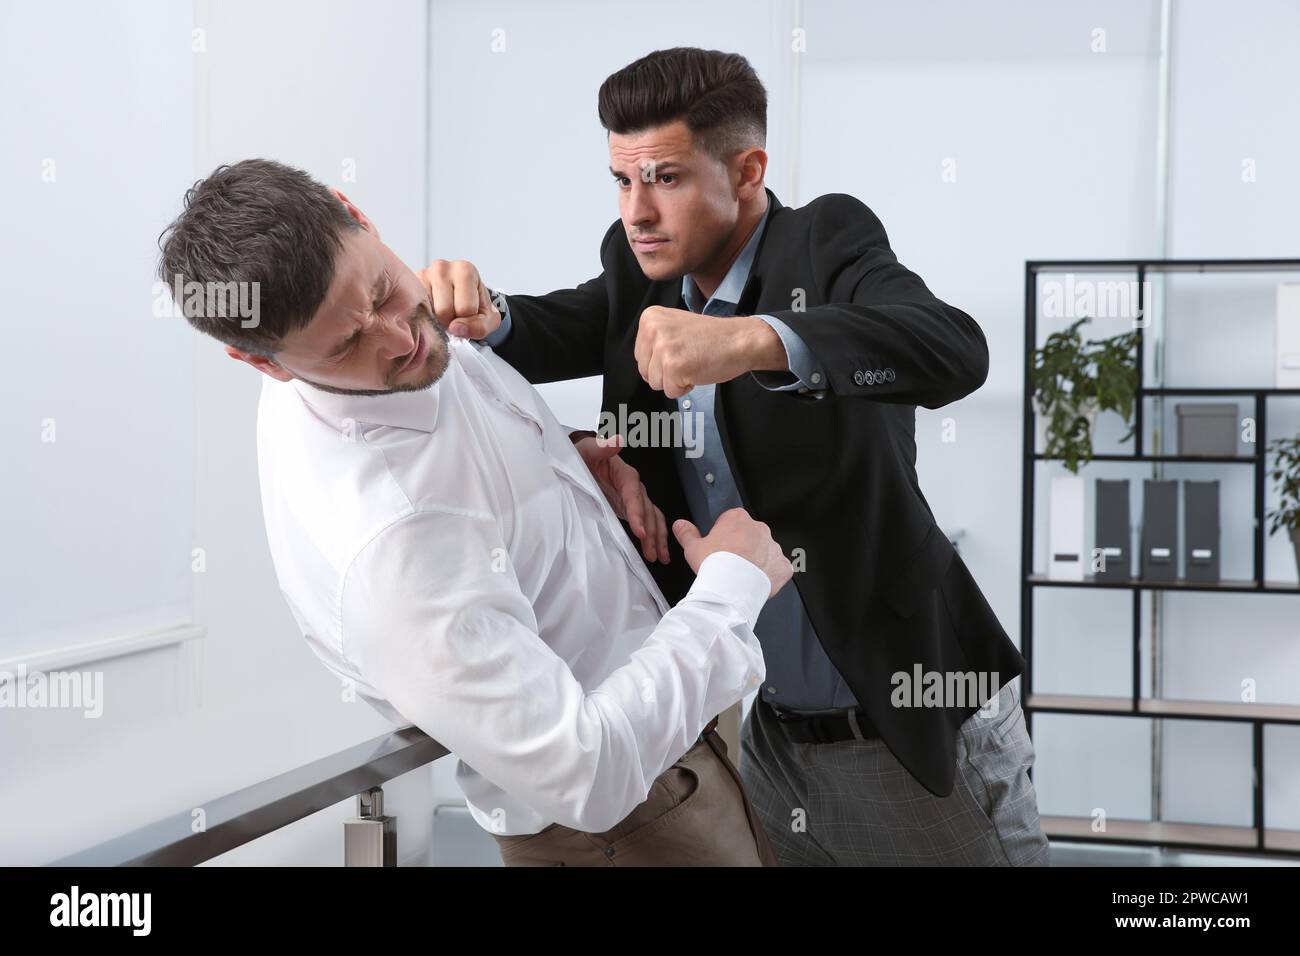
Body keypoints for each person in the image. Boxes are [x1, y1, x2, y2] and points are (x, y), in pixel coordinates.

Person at [421, 47, 1050, 865]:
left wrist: (752, 341)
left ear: (747, 170)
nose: (637, 210)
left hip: (912, 716)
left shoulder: (826, 239)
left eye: (666, 178)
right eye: (621, 180)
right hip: (771, 734)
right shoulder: (637, 265)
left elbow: (954, 349)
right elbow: (561, 325)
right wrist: (480, 307)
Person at [157, 157, 793, 866]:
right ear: (265, 365)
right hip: (630, 824)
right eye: (347, 345)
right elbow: (588, 776)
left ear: (354, 213)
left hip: (682, 727)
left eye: (381, 291)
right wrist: (733, 587)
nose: (402, 340)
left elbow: (471, 455)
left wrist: (564, 463)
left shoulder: (373, 338)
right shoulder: (392, 549)